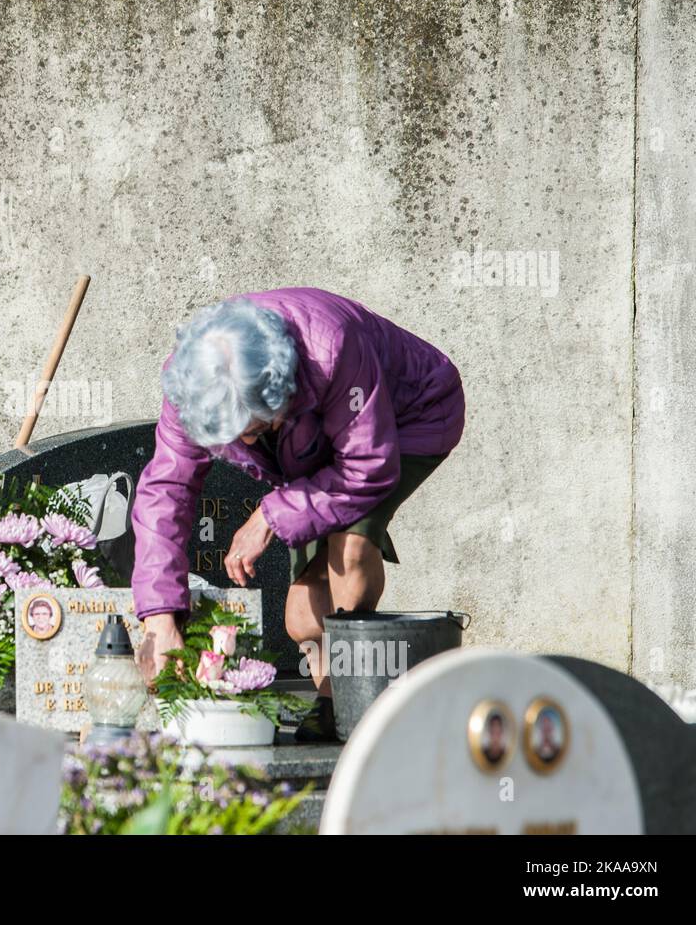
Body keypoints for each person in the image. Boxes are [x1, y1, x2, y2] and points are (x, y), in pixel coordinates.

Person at [132, 287, 465, 742]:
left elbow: (366, 468)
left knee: (348, 547)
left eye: (252, 429)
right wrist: (160, 619)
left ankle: (342, 700)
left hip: (410, 417)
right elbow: (165, 492)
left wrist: (270, 515)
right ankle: (345, 684)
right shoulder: (191, 382)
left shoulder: (332, 346)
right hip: (316, 449)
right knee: (302, 621)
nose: (247, 445)